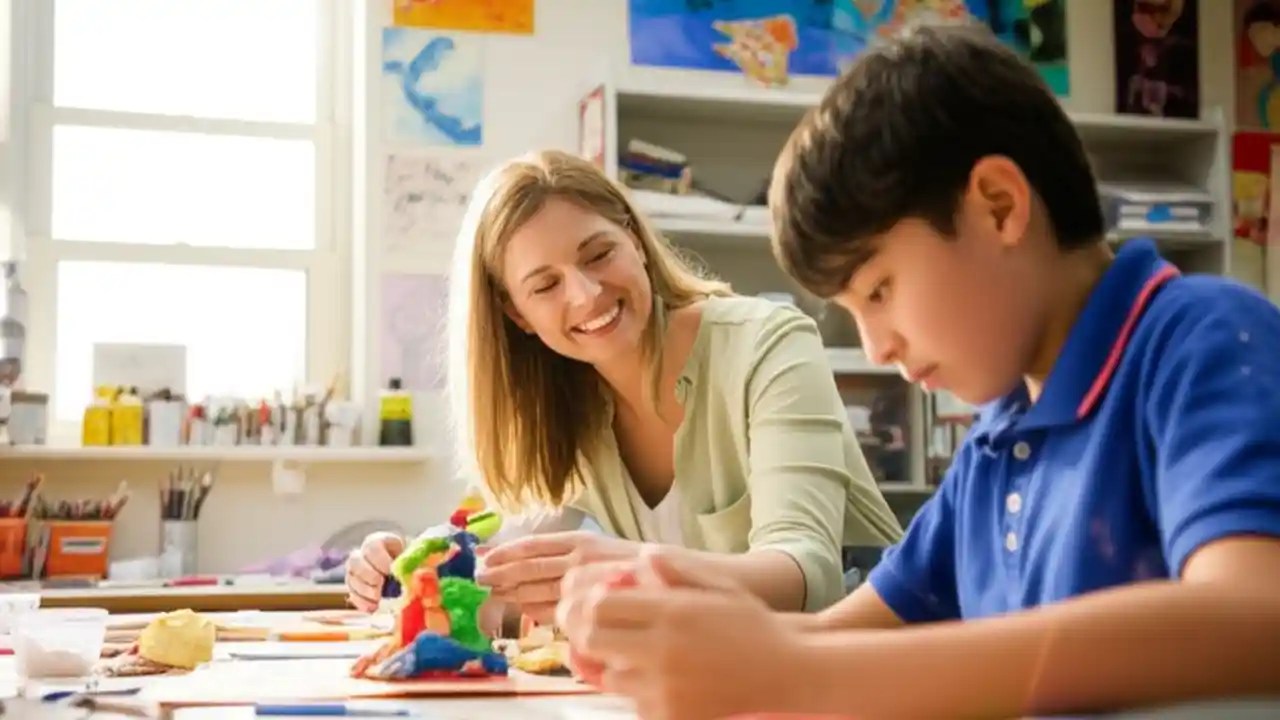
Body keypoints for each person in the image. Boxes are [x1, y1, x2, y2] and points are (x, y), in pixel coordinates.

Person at [555, 24, 1280, 720]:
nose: (876, 349)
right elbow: (844, 638)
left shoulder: (1199, 339)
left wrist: (790, 665)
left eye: (879, 291)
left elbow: (1256, 618)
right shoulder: (997, 444)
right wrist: (689, 630)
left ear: (999, 206)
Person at [345, 149, 904, 624]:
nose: (586, 295)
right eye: (545, 286)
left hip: (865, 675)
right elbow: (507, 590)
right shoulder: (571, 409)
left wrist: (628, 570)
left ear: (634, 238)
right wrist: (416, 578)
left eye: (599, 254)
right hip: (729, 684)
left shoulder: (767, 344)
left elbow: (807, 574)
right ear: (517, 316)